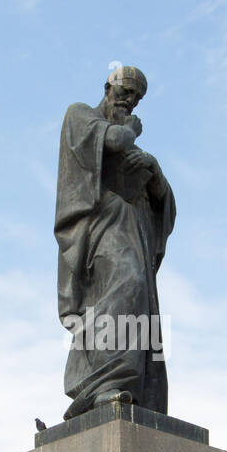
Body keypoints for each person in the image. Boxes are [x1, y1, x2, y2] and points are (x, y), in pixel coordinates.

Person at [54, 66, 176, 421]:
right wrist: (129, 133)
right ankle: (104, 382)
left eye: (135, 99)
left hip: (133, 229)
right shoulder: (80, 114)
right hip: (99, 229)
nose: (128, 102)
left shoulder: (129, 141)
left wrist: (152, 168)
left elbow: (163, 202)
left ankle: (129, 389)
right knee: (127, 284)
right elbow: (113, 142)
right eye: (124, 92)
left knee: (138, 301)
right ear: (107, 86)